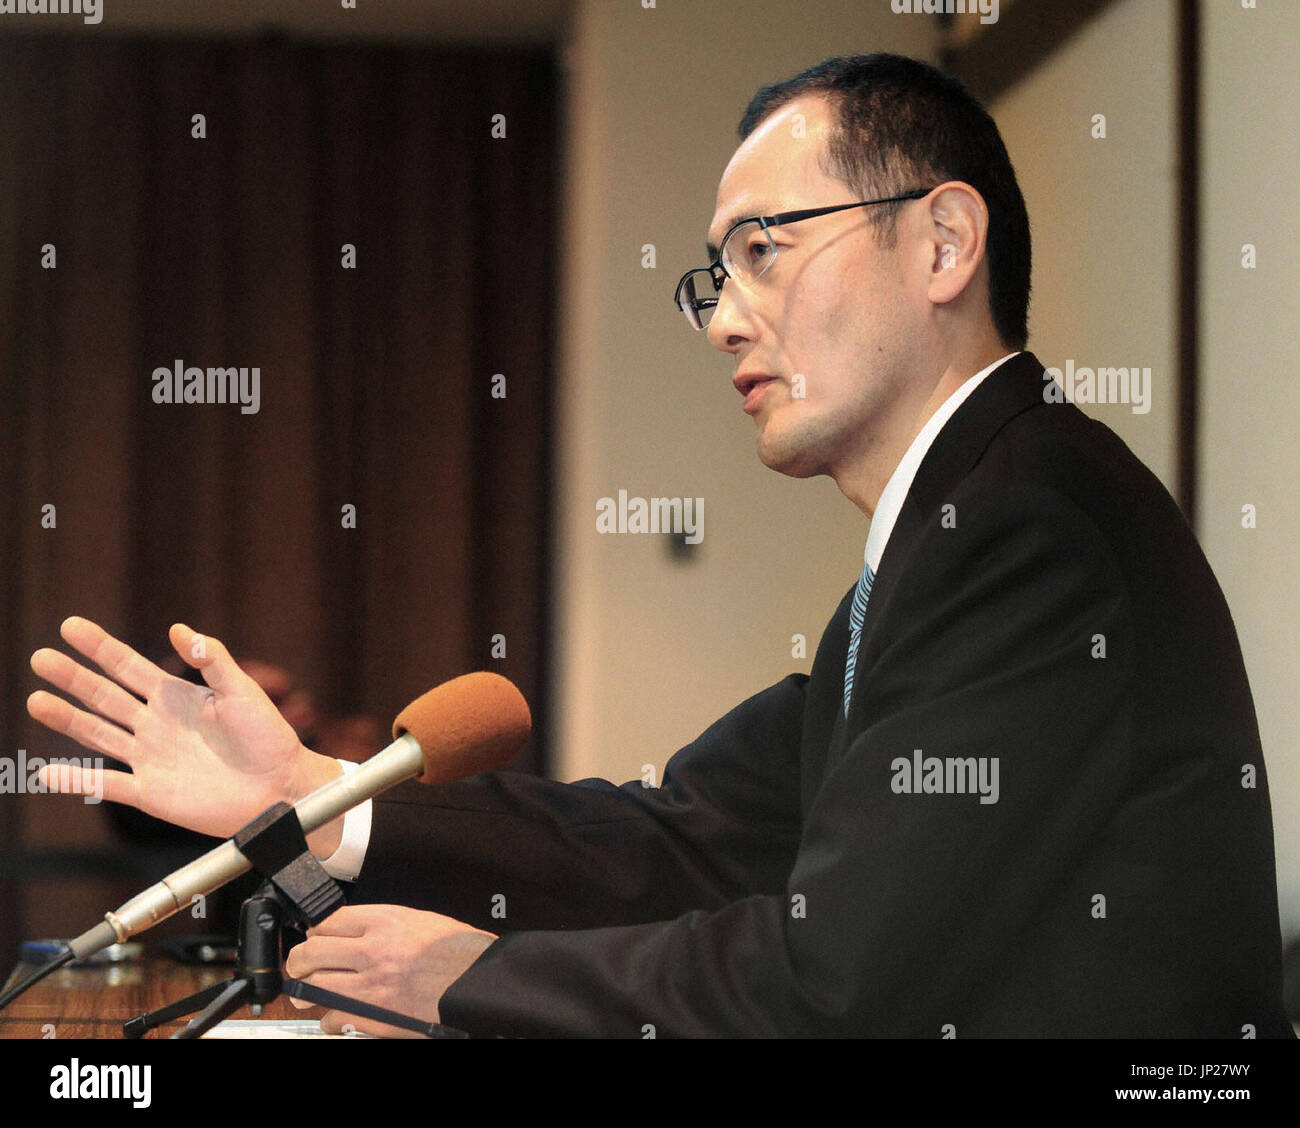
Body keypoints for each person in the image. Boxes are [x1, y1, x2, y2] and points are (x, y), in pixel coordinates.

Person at [26, 54, 1292, 1037]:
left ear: (944, 242)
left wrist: (481, 979)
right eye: (712, 276)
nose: (724, 318)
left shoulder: (1024, 530)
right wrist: (310, 801)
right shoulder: (956, 526)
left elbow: (835, 984)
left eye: (762, 250)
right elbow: (682, 837)